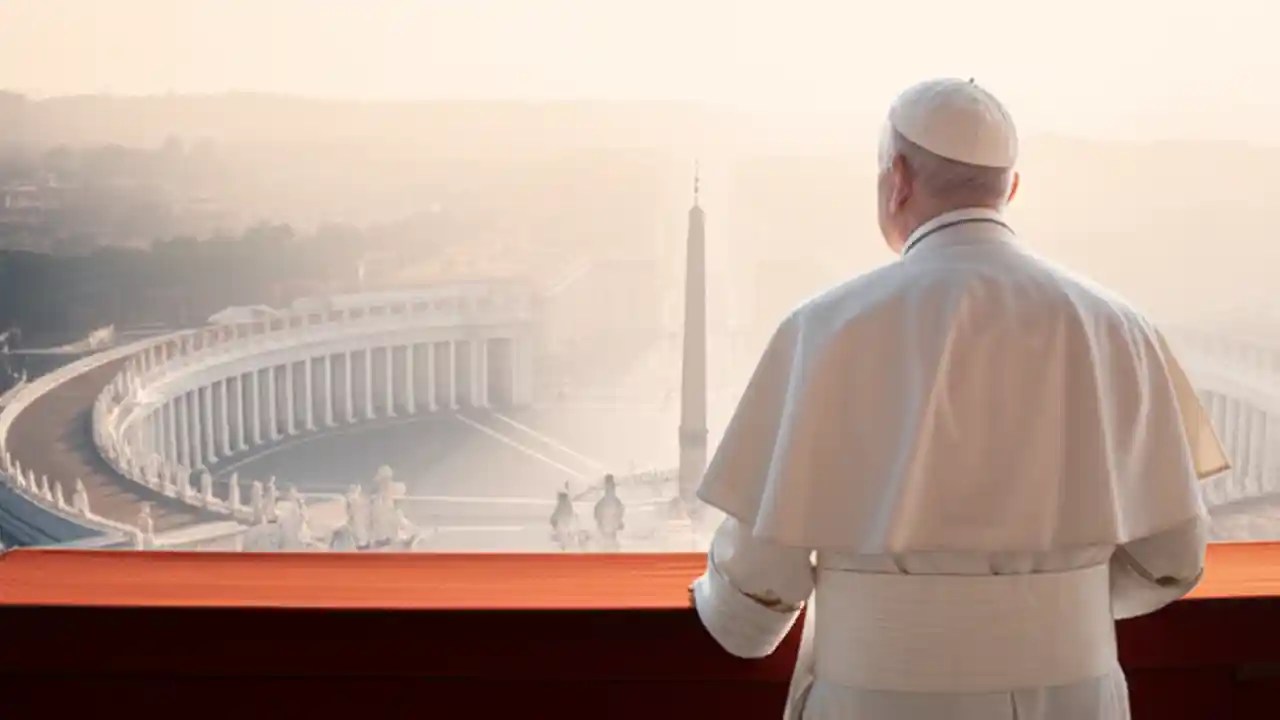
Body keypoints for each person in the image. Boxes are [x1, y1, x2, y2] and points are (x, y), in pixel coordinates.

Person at [689, 78, 1228, 720]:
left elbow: (758, 584)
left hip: (876, 701)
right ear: (1011, 189)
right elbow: (1173, 557)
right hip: (1073, 698)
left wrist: (736, 615)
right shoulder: (1120, 329)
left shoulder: (825, 329)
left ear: (897, 181)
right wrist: (1048, 605)